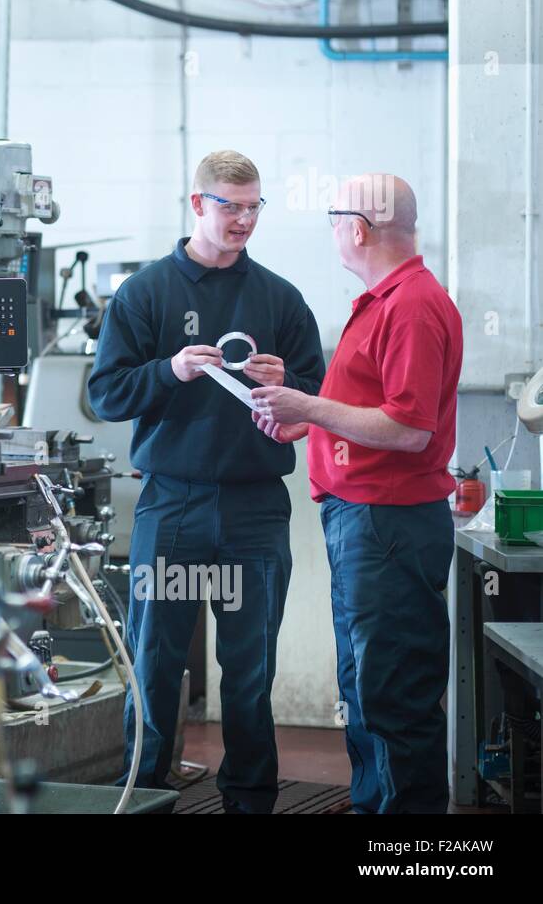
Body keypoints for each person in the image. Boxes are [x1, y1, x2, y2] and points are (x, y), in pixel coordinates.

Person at [87, 150, 325, 813]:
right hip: (173, 505)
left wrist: (288, 385)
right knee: (155, 659)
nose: (243, 219)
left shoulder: (279, 297)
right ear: (198, 205)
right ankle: (147, 791)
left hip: (254, 509)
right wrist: (169, 370)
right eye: (230, 205)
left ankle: (249, 799)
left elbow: (317, 390)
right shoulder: (145, 293)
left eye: (253, 207)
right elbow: (105, 394)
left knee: (249, 671)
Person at [250, 173, 462, 814]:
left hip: (388, 526)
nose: (335, 231)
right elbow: (372, 411)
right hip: (366, 522)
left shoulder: (411, 306)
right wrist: (309, 420)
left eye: (335, 218)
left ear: (358, 228)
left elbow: (405, 428)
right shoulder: (382, 301)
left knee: (392, 694)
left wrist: (310, 404)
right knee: (367, 688)